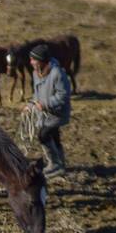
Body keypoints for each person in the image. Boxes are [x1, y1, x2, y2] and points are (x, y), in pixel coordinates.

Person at [25, 44, 71, 180]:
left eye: (33, 60)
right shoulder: (35, 73)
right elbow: (37, 94)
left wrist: (45, 104)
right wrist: (30, 104)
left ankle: (54, 164)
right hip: (44, 112)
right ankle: (61, 164)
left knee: (43, 135)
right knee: (54, 136)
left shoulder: (58, 73)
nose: (31, 62)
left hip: (57, 112)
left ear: (41, 60)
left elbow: (63, 96)